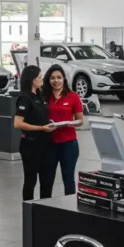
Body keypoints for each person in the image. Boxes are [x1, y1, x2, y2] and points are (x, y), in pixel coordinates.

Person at [41, 65, 84, 196]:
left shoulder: (73, 96)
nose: (56, 81)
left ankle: (69, 206)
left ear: (64, 79)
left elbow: (80, 120)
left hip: (69, 144)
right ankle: (44, 205)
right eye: (52, 78)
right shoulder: (44, 96)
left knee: (68, 178)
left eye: (59, 77)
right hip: (49, 143)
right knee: (47, 180)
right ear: (48, 80)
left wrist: (66, 123)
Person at [13, 65, 54, 200]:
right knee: (31, 180)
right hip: (30, 144)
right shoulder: (25, 98)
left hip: (45, 143)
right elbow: (18, 123)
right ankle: (28, 208)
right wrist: (41, 128)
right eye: (39, 77)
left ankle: (45, 207)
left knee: (46, 180)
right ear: (32, 79)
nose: (41, 79)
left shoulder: (40, 96)